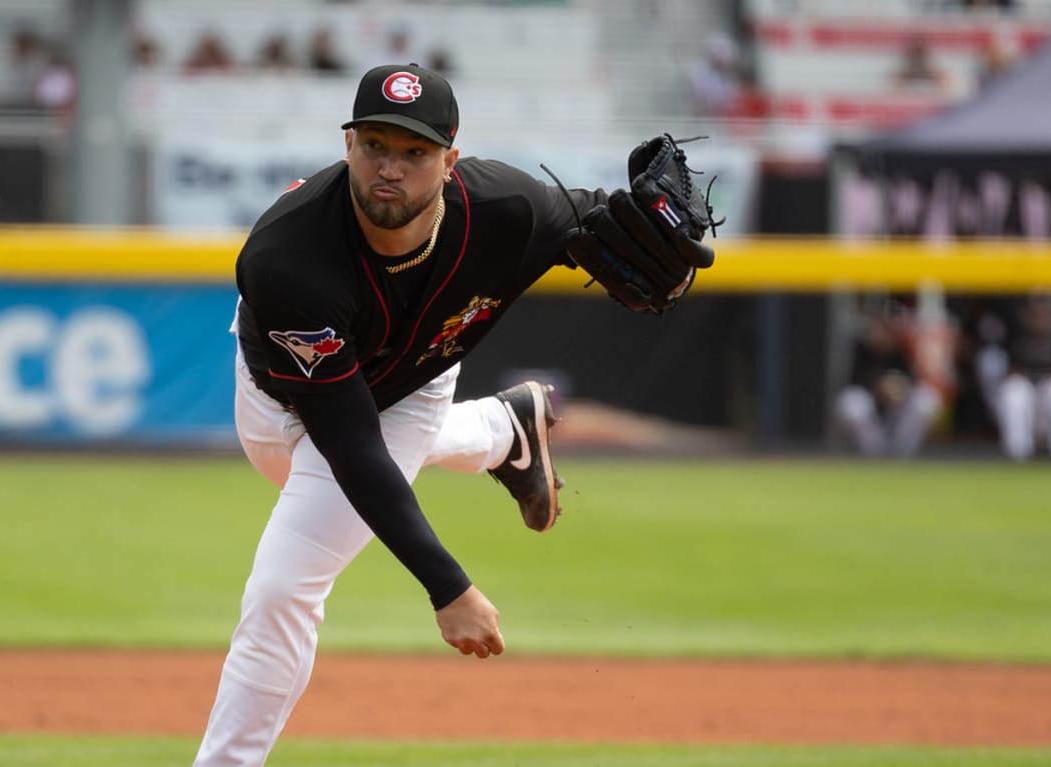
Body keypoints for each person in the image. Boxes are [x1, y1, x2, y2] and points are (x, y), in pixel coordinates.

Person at [195, 63, 713, 766]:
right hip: (278, 403)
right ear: (347, 145)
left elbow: (600, 219)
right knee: (307, 467)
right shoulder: (289, 257)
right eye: (375, 145)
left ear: (449, 161)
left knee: (284, 587)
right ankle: (501, 428)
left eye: (415, 151)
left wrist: (665, 241)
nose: (390, 167)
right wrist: (449, 586)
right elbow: (350, 445)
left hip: (417, 385)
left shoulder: (506, 208)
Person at [833, 304, 944, 458]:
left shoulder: (900, 352)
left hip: (897, 416)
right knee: (852, 401)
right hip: (873, 417)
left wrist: (898, 390)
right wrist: (878, 391)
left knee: (927, 399)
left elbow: (912, 383)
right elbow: (854, 384)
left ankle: (902, 452)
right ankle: (874, 453)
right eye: (875, 330)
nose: (878, 335)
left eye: (883, 331)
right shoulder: (861, 350)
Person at [976, 291, 1051, 461]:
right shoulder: (1014, 337)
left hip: (1047, 406)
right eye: (1034, 314)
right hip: (1022, 404)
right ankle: (1017, 453)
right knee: (1014, 391)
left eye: (1043, 313)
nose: (1039, 318)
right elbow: (1007, 371)